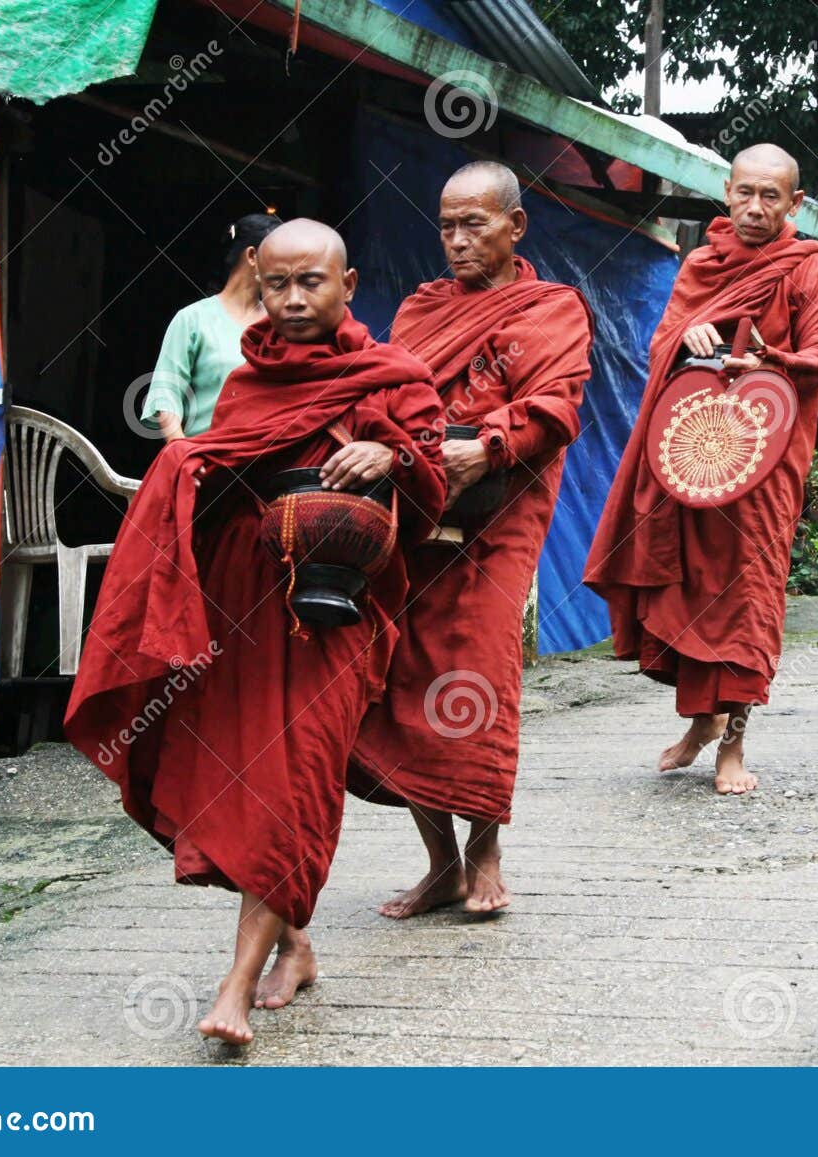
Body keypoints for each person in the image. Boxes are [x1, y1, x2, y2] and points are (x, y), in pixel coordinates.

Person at [64, 220, 447, 1044]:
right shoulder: (247, 381)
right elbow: (225, 471)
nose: (295, 299)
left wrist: (394, 460)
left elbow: (432, 484)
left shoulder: (393, 374)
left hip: (338, 612)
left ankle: (233, 987)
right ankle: (296, 946)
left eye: (312, 281)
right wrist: (190, 467)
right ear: (256, 286)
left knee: (297, 775)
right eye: (278, 284)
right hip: (248, 604)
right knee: (250, 777)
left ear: (349, 284)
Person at [348, 162, 593, 918]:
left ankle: (486, 852)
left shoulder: (553, 308)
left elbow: (555, 404)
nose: (456, 241)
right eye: (447, 226)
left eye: (473, 225)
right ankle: (441, 863)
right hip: (420, 509)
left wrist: (485, 446)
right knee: (404, 669)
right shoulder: (423, 308)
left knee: (480, 671)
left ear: (515, 227)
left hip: (503, 507)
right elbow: (386, 395)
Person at [583, 143, 818, 795]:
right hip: (694, 451)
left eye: (771, 197)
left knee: (748, 601)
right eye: (745, 193)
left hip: (765, 455)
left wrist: (765, 360)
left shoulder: (809, 267)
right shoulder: (701, 262)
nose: (756, 208)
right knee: (694, 589)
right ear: (727, 192)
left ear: (796, 204)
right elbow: (661, 342)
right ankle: (700, 722)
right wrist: (689, 334)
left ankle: (734, 743)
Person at [141, 212, 282, 440]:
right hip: (205, 461)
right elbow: (166, 396)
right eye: (281, 256)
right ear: (252, 256)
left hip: (266, 465)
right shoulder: (193, 319)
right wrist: (183, 458)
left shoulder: (281, 325)